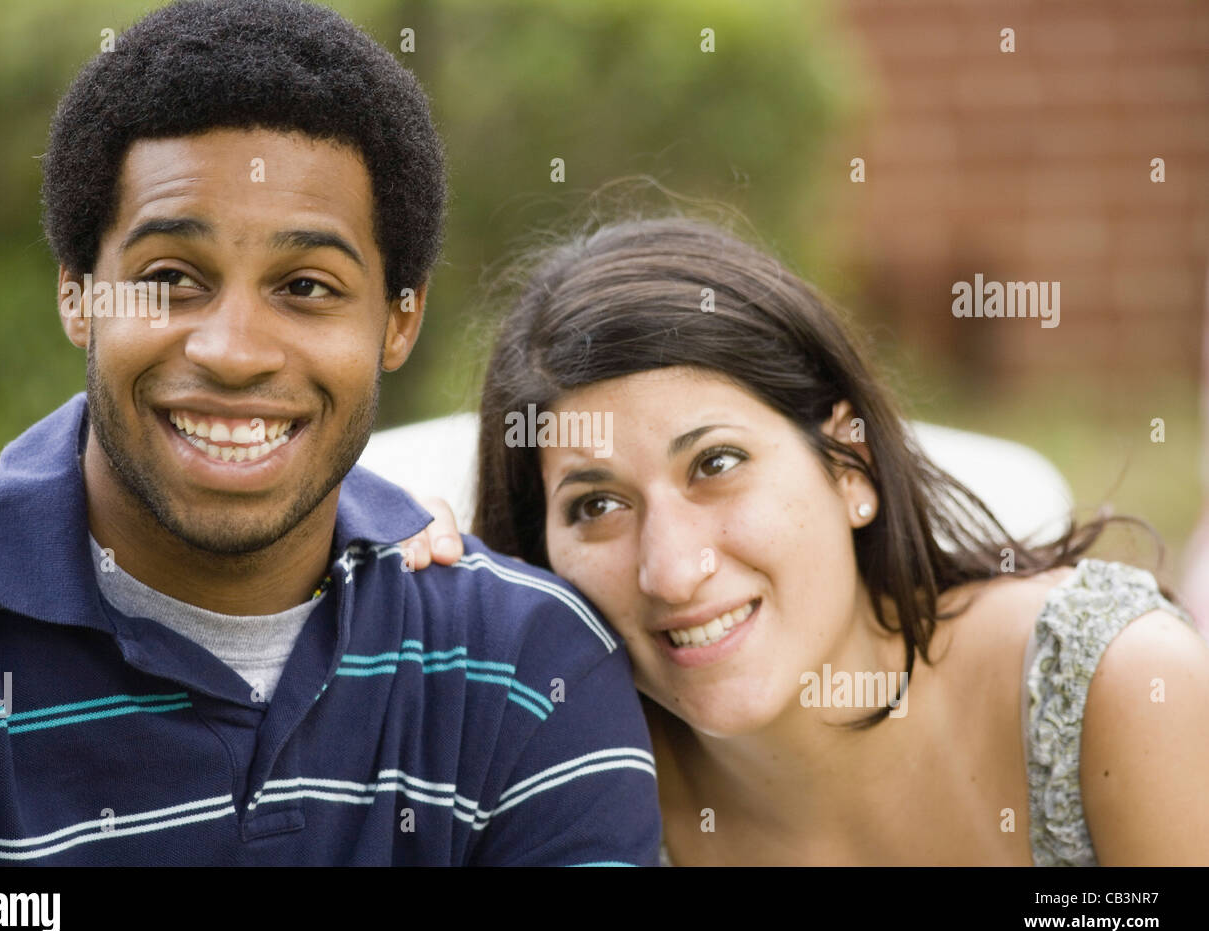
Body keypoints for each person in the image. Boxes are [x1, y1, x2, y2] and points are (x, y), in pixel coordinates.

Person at [0, 0, 660, 866]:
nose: (232, 352)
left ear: (399, 322)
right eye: (171, 278)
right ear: (78, 295)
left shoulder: (527, 670)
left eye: (306, 286)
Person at [407, 215, 1209, 865]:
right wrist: (406, 602)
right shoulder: (563, 783)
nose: (674, 571)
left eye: (716, 463)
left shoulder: (1116, 690)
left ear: (849, 465)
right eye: (597, 508)